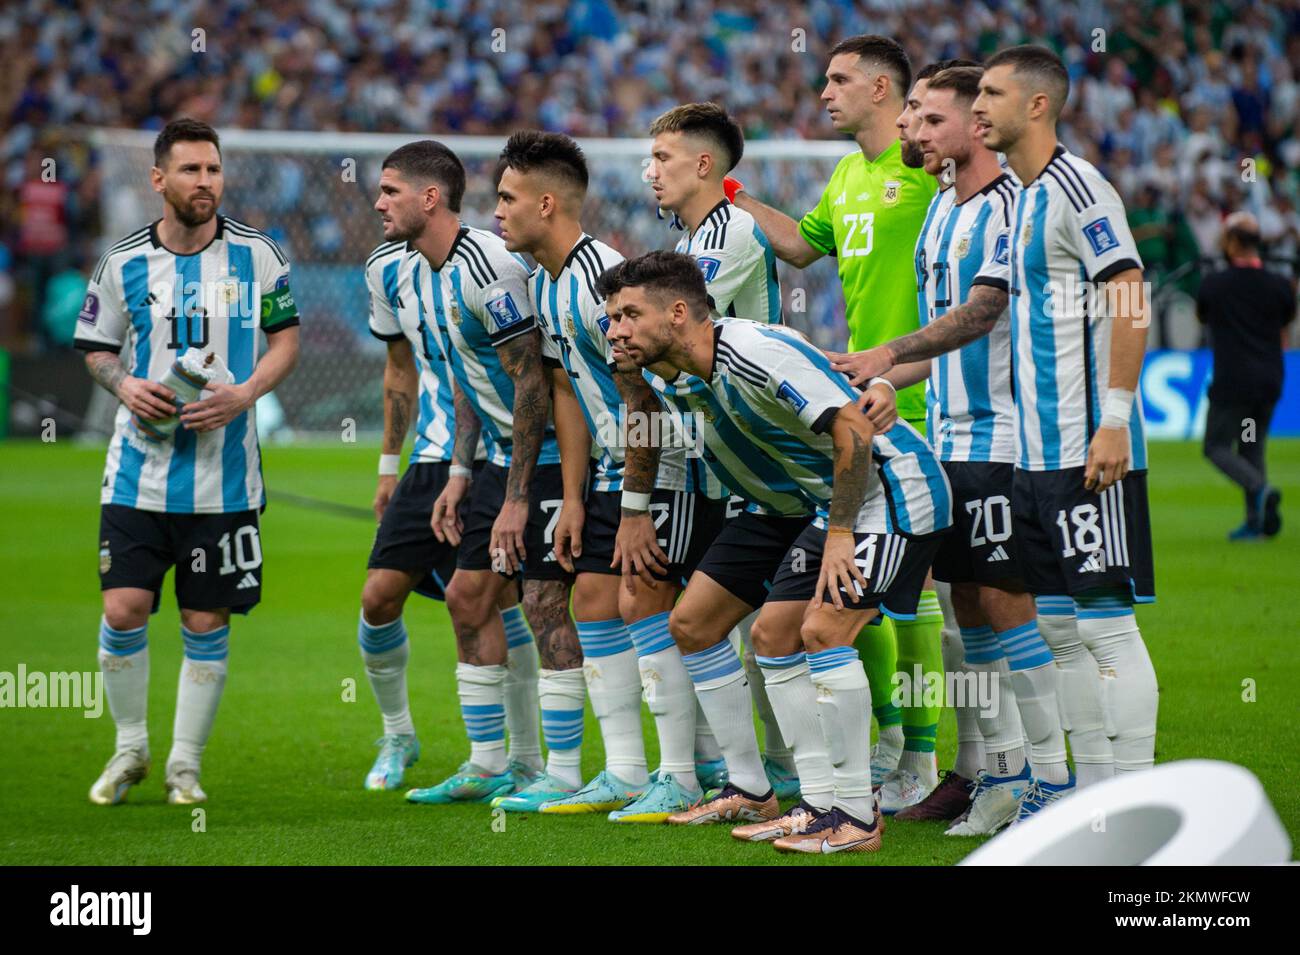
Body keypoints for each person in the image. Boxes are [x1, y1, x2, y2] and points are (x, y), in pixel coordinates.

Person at [839, 45, 1161, 798]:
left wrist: (1114, 418)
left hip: (1088, 445)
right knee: (1057, 634)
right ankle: (1080, 797)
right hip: (1035, 457)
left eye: (989, 94)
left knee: (1106, 629)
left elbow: (1131, 291)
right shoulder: (1021, 199)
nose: (979, 108)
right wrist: (883, 368)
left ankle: (1138, 799)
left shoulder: (1080, 187)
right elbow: (981, 318)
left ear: (1038, 105)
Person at [604, 250, 950, 853]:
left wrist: (838, 536)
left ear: (679, 313)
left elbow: (853, 428)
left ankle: (856, 816)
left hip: (896, 491)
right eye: (612, 319)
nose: (615, 330)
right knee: (737, 631)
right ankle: (791, 797)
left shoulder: (754, 351)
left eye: (628, 315)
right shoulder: (672, 371)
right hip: (817, 503)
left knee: (821, 631)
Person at [492, 130, 730, 819]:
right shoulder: (545, 281)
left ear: (546, 203)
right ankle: (627, 769)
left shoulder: (607, 284)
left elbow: (646, 402)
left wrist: (632, 508)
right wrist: (572, 498)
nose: (498, 211)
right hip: (610, 465)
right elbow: (568, 391)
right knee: (594, 601)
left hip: (670, 463)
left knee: (644, 601)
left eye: (507, 198)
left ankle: (686, 771)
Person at [735, 35, 948, 795]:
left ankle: (927, 756)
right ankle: (896, 738)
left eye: (839, 80)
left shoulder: (928, 175)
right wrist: (730, 198)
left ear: (884, 88)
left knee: (937, 597)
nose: (823, 91)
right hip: (869, 402)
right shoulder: (851, 173)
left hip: (934, 394)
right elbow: (799, 245)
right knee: (866, 585)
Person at [864, 66, 1070, 833]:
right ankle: (1002, 774)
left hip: (1005, 435)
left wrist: (884, 355)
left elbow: (983, 315)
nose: (912, 129)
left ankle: (1051, 776)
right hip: (949, 436)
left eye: (928, 116)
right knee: (966, 608)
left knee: (1011, 605)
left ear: (974, 127)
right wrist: (887, 376)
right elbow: (943, 342)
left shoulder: (1006, 207)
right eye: (911, 114)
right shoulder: (939, 209)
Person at [75, 118, 300, 805]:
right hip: (138, 471)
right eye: (191, 170)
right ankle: (129, 748)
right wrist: (124, 384)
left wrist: (245, 394)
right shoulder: (123, 262)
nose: (205, 182)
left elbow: (286, 341)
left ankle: (183, 766)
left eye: (213, 169)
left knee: (206, 620)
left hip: (225, 480)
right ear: (159, 179)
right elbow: (95, 346)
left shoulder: (258, 254)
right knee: (124, 607)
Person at [362, 141, 575, 807]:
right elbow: (465, 381)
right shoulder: (422, 271)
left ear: (430, 198)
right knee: (469, 597)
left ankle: (558, 769)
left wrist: (514, 496)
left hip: (538, 458)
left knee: (554, 608)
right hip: (489, 459)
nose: (377, 203)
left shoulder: (488, 268)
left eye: (391, 190)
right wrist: (458, 471)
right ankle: (492, 765)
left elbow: (531, 387)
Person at [646, 101, 797, 799]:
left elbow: (669, 342)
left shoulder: (729, 234)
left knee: (775, 627)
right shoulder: (689, 243)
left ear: (704, 164)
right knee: (725, 621)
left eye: (663, 159)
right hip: (726, 457)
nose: (651, 173)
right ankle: (761, 775)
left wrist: (629, 343)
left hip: (769, 461)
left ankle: (811, 776)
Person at [1198, 211, 1293, 539]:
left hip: (1232, 382)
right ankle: (1257, 522)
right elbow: (1285, 320)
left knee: (1215, 446)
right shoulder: (1279, 285)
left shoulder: (1216, 285)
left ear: (1233, 242)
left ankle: (1259, 487)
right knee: (1251, 445)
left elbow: (1202, 315)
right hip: (1268, 381)